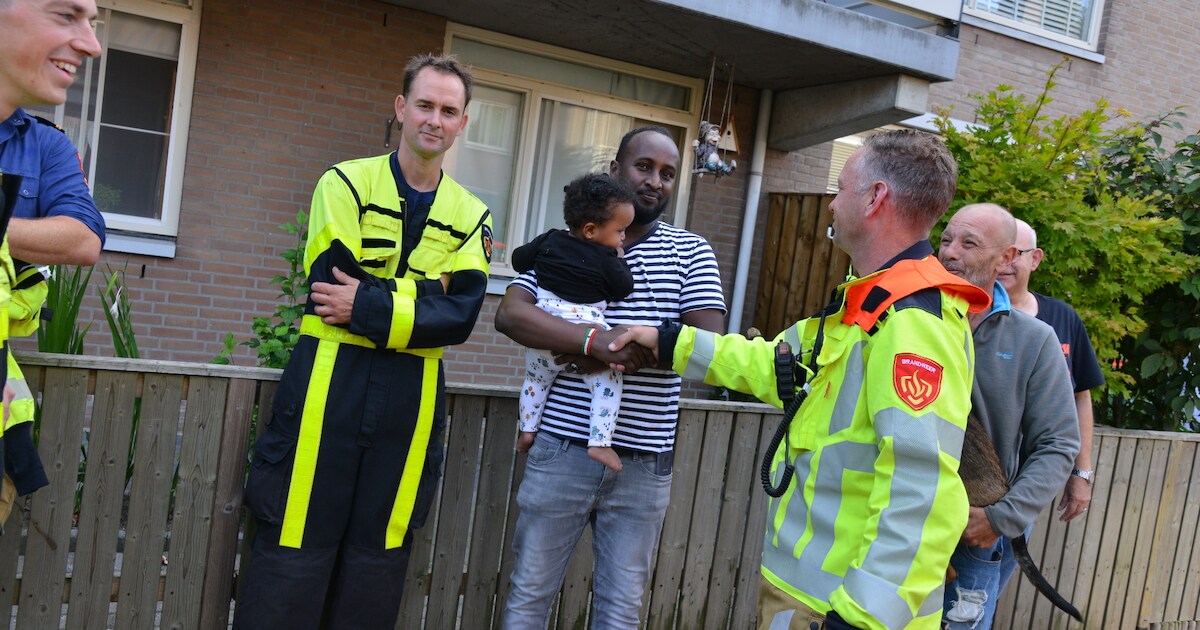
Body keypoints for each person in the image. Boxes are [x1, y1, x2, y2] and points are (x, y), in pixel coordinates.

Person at [610, 129, 991, 629]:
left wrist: (861, 620)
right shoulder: (867, 307)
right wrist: (668, 340)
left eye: (840, 188)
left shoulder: (912, 321)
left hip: (841, 611)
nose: (832, 204)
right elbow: (773, 364)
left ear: (876, 198)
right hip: (809, 597)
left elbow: (920, 491)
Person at [233, 53, 493, 629]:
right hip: (328, 386)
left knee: (378, 563)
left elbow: (462, 316)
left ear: (463, 123)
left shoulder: (472, 215)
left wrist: (373, 302)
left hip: (412, 404)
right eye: (424, 104)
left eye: (449, 110)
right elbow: (331, 290)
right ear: (401, 108)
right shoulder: (344, 182)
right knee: (295, 543)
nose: (435, 119)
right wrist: (425, 293)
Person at [495, 126, 727, 628]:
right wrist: (587, 342)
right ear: (615, 170)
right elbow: (511, 315)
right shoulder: (565, 242)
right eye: (644, 166)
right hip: (562, 448)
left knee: (621, 609)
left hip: (644, 463)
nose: (656, 181)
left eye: (668, 173)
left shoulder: (691, 252)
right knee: (530, 594)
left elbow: (707, 345)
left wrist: (612, 350)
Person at [937, 203, 1079, 630]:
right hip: (899, 520)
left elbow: (1059, 444)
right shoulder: (910, 317)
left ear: (1006, 259)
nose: (950, 253)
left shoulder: (1034, 338)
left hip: (974, 531)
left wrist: (1000, 519)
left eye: (968, 243)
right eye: (945, 240)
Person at [0, 0, 104, 523]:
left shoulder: (45, 146)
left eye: (92, 22)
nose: (91, 43)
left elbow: (84, 240)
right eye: (65, 16)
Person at [512, 172, 636, 473]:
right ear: (591, 230)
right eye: (620, 231)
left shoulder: (550, 239)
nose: (623, 238)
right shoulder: (607, 258)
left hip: (543, 331)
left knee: (535, 381)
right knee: (608, 384)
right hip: (584, 331)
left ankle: (528, 429)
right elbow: (624, 288)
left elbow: (518, 260)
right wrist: (618, 258)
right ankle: (600, 443)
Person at [1000, 218, 1103, 522]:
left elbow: (1079, 398)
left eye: (1016, 253)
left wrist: (1081, 473)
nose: (1006, 262)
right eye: (1000, 253)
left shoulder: (1061, 317)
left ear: (1036, 259)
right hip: (974, 481)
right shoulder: (970, 315)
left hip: (1029, 487)